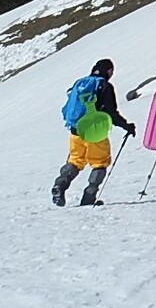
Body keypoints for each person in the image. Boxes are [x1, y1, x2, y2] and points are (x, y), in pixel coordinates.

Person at [51, 58, 135, 207]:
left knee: (75, 160)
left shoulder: (80, 83)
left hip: (76, 130)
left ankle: (60, 185)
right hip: (95, 132)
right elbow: (111, 112)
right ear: (108, 71)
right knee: (99, 163)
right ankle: (89, 196)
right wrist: (126, 126)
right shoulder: (105, 86)